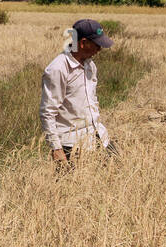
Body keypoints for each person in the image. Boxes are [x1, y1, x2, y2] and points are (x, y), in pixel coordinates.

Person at [40, 18, 118, 168]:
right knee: (72, 187)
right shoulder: (58, 69)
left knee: (117, 171)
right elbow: (48, 112)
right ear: (83, 43)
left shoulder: (90, 65)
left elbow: (92, 99)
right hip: (71, 143)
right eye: (96, 44)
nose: (99, 49)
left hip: (97, 136)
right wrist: (56, 148)